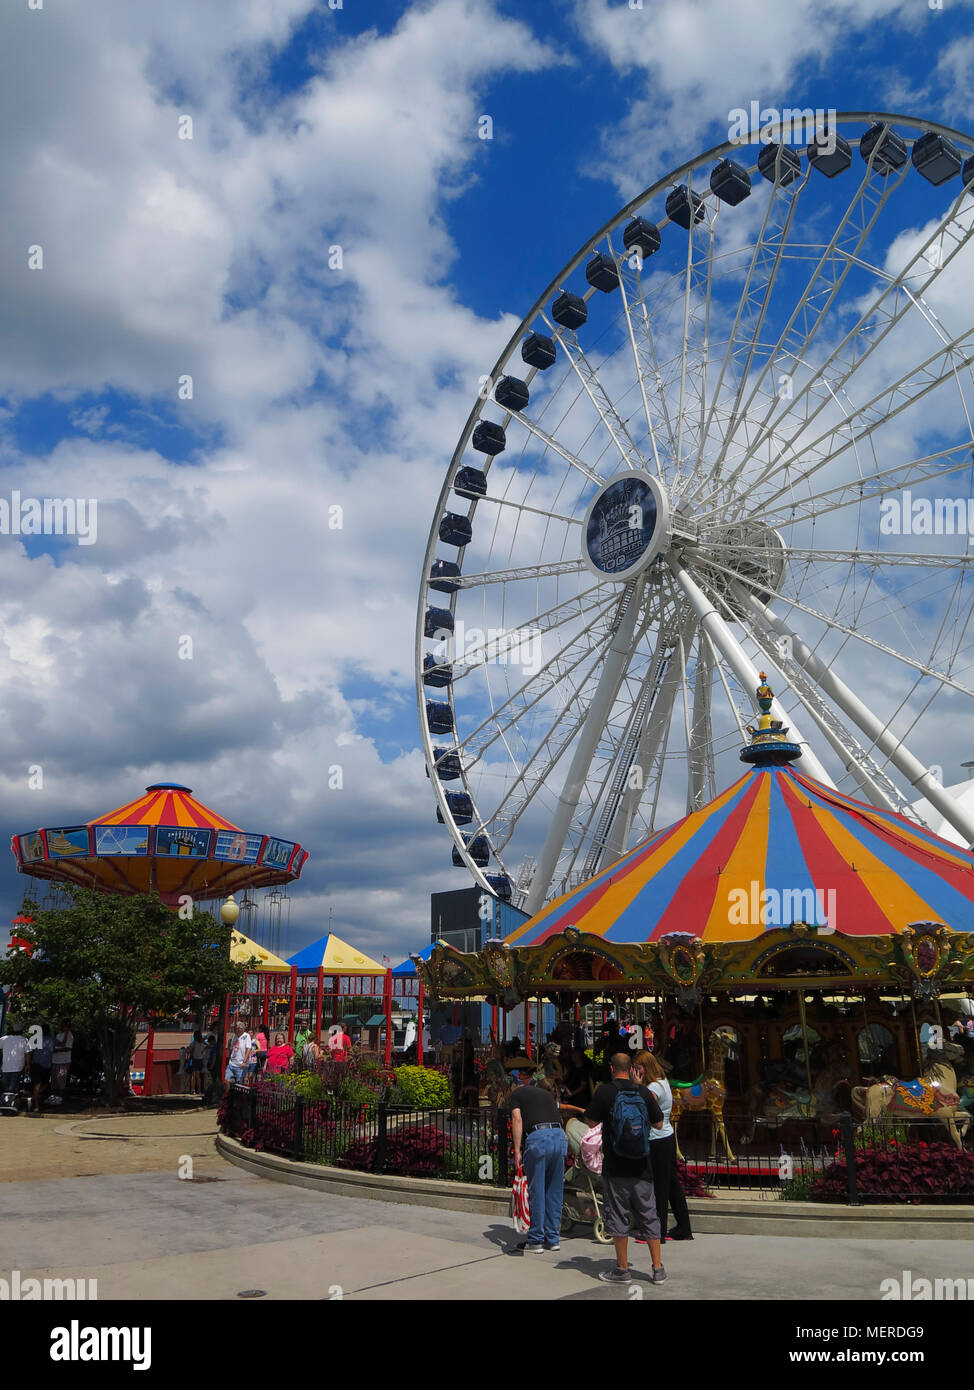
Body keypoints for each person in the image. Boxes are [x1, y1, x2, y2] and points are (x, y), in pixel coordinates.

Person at [583, 1052, 666, 1285]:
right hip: (643, 1166)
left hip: (616, 1166)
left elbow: (591, 1122)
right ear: (631, 1069)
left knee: (618, 1215)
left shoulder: (605, 1092)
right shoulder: (642, 1092)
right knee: (649, 1215)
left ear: (612, 1069)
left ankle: (622, 1269)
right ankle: (658, 1269)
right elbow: (659, 1123)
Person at [632, 1050, 693, 1243]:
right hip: (666, 1136)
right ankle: (684, 1227)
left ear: (646, 1067)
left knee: (659, 1186)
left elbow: (645, 1109)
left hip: (657, 1138)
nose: (636, 1071)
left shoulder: (652, 1088)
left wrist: (637, 1087)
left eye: (638, 1067)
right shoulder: (663, 1083)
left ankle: (658, 1231)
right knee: (672, 1184)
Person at [509, 1069, 568, 1252]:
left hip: (538, 1137)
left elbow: (517, 1119)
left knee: (537, 1190)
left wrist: (517, 1150)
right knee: (554, 1190)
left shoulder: (515, 1094)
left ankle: (535, 1240)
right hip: (559, 1136)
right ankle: (553, 1238)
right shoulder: (545, 1094)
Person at [28, 1027, 54, 1114]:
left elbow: (30, 1050)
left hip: (36, 1064)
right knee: (44, 1084)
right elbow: (59, 1046)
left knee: (37, 1084)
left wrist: (29, 1063)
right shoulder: (51, 1040)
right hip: (46, 1065)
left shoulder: (35, 1039)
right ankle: (35, 1102)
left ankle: (35, 1101)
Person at [0, 1024, 27, 1100]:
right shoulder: (24, 1039)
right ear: (21, 1031)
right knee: (13, 1087)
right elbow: (27, 1053)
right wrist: (28, 1065)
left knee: (5, 1088)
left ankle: (5, 1102)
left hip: (5, 1067)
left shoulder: (4, 1039)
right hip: (17, 1067)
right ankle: (11, 1103)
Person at [225, 1021, 253, 1087]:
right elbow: (232, 1048)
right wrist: (229, 1058)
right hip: (232, 1063)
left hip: (240, 1065)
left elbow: (248, 1048)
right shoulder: (234, 1036)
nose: (234, 1029)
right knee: (226, 1080)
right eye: (234, 1028)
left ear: (241, 1029)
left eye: (236, 1028)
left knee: (239, 1084)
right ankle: (226, 1096)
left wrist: (244, 1062)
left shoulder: (246, 1036)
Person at [51, 1027, 74, 1096]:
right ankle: (54, 1097)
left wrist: (56, 1050)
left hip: (63, 1061)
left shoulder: (69, 1035)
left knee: (61, 1080)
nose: (61, 1026)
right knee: (54, 1080)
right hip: (55, 1060)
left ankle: (60, 1097)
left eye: (64, 1024)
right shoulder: (58, 1035)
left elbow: (68, 1048)